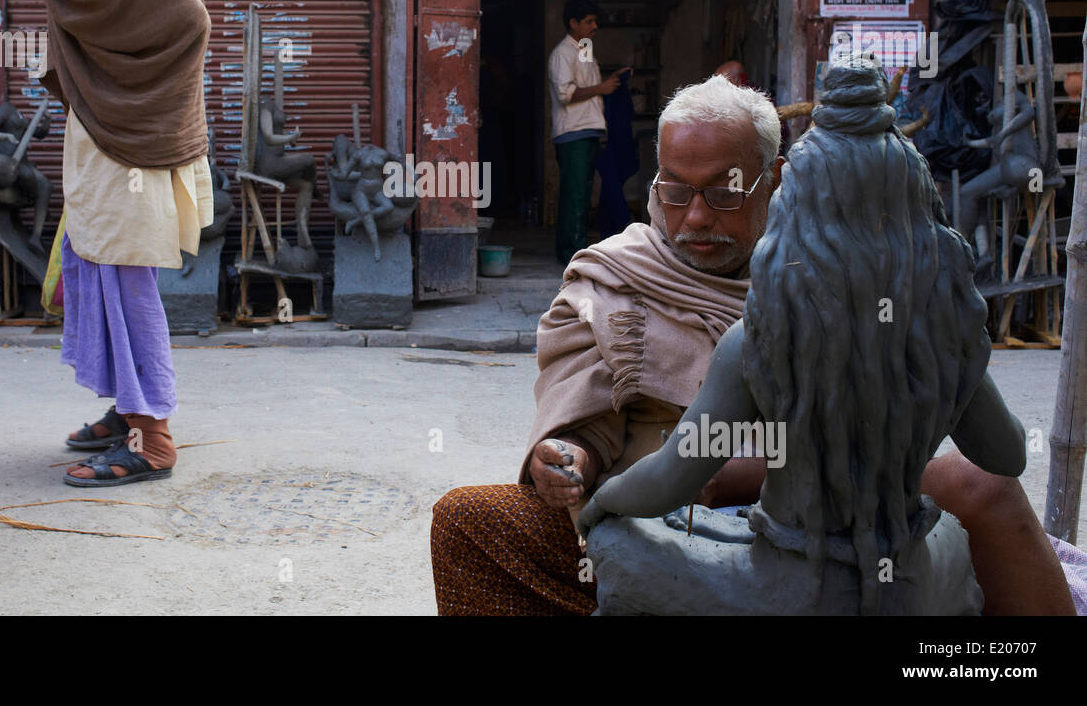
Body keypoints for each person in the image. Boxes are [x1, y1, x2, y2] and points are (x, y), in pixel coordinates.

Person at [430, 73, 1079, 615]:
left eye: (723, 190)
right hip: (663, 507)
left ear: (775, 179)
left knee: (973, 486)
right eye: (676, 190)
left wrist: (754, 467)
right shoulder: (613, 274)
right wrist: (565, 458)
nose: (697, 216)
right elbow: (610, 446)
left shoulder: (830, 286)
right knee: (470, 519)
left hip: (828, 512)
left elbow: (939, 443)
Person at [16, 0, 214, 487]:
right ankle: (122, 407)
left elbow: (186, 20)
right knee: (91, 258)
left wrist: (118, 81)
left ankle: (152, 434)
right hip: (96, 116)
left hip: (132, 121)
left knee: (124, 268)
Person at [548, 0, 630, 265]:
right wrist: (601, 88)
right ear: (573, 23)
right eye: (589, 22)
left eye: (595, 21)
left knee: (581, 195)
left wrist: (610, 81)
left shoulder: (583, 48)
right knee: (575, 196)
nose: (595, 26)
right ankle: (570, 253)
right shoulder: (563, 53)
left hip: (588, 131)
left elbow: (588, 82)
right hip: (574, 132)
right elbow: (565, 94)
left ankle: (574, 249)